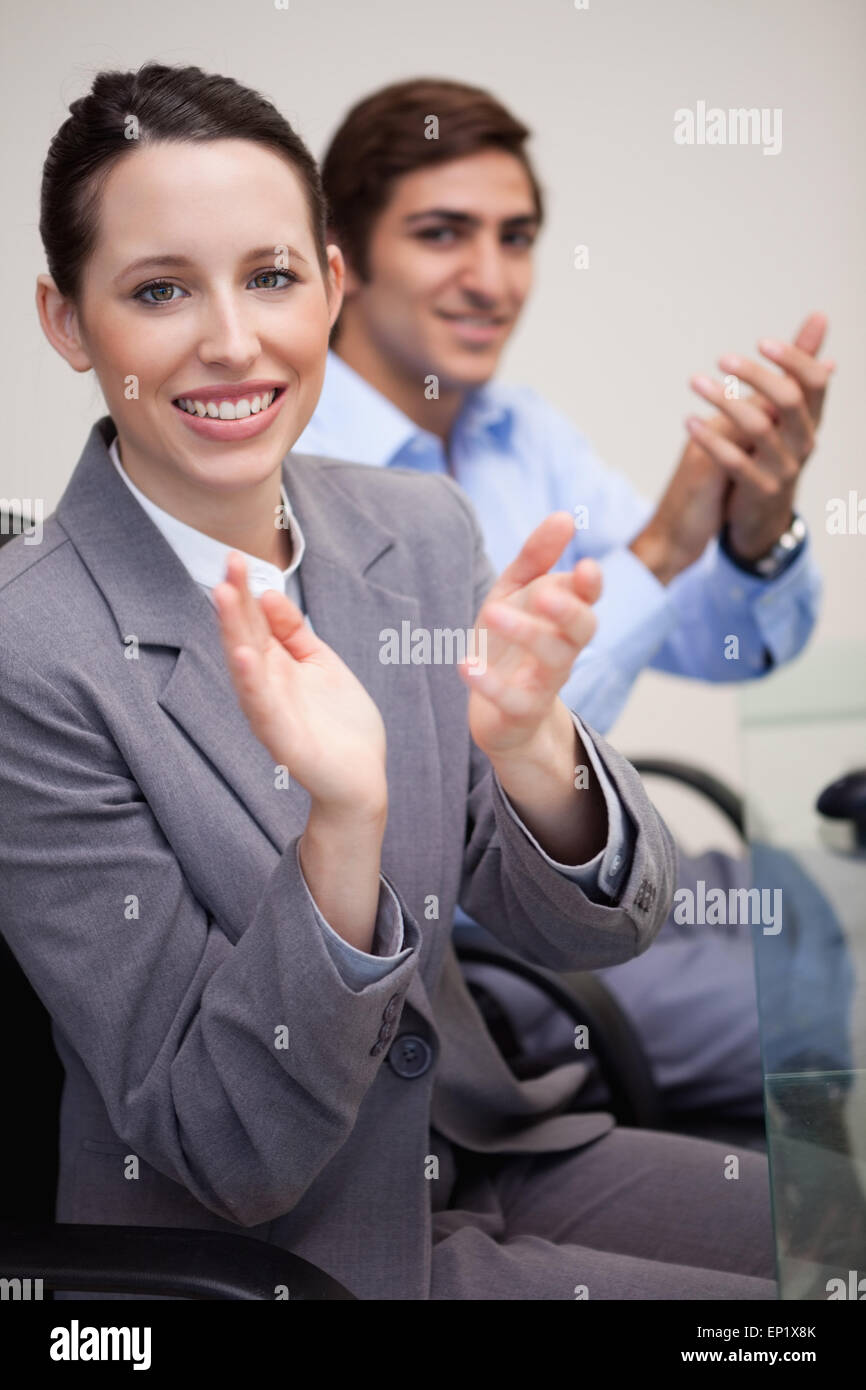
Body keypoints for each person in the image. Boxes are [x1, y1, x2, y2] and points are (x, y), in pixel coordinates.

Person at [0, 62, 776, 1301]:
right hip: (275, 1252)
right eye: (158, 290)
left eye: (270, 276)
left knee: (834, 1237)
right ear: (65, 319)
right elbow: (220, 1146)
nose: (233, 340)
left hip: (490, 1149)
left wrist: (532, 752)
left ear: (331, 283)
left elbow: (600, 929)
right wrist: (342, 836)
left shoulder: (414, 530)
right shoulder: (30, 651)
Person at [296, 78, 834, 1120]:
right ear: (344, 261)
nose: (490, 278)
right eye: (443, 233)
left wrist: (752, 524)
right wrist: (666, 543)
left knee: (823, 895)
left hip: (592, 871)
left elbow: (724, 645)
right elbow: (450, 773)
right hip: (466, 947)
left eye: (517, 236)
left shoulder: (518, 431)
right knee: (814, 1000)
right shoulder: (303, 471)